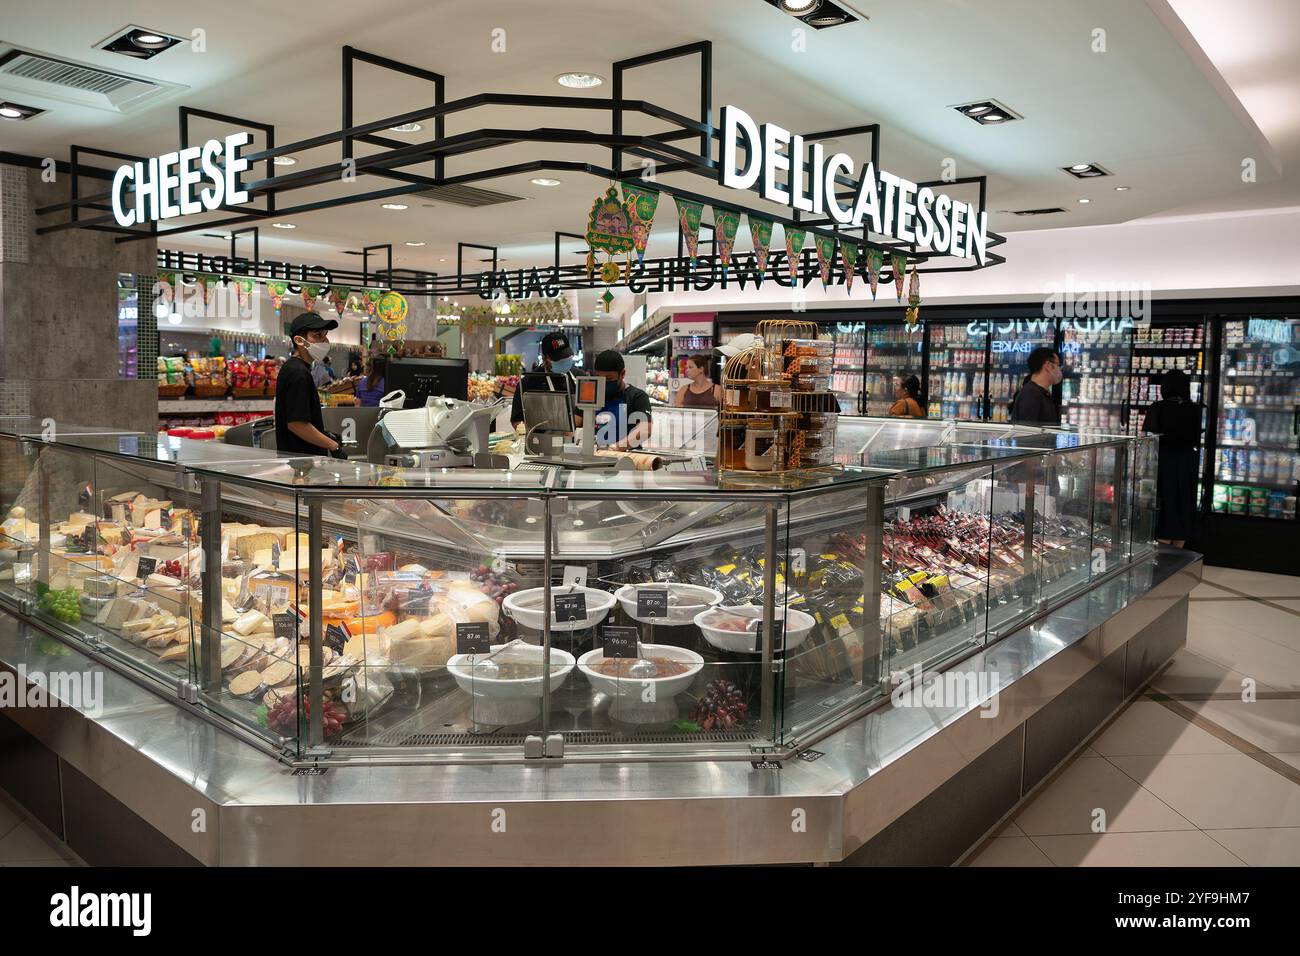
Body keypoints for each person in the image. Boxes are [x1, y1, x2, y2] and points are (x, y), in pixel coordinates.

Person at [1143, 369, 1201, 548]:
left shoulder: (1158, 408)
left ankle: (1163, 551)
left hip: (1164, 463)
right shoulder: (1195, 409)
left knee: (1165, 506)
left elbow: (1148, 438)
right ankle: (1179, 551)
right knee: (1183, 503)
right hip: (1187, 463)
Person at [276, 312, 343, 456]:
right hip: (301, 463)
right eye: (317, 336)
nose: (324, 341)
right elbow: (297, 424)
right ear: (300, 341)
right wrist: (333, 446)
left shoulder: (295, 368)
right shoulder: (298, 373)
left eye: (325, 335)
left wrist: (324, 435)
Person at [586, 350, 653, 450]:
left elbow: (644, 430)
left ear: (622, 374)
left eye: (609, 379)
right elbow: (575, 425)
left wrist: (616, 447)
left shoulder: (637, 396)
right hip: (595, 456)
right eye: (599, 378)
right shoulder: (590, 395)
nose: (604, 383)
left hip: (627, 459)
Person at [510, 330, 578, 427]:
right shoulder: (528, 382)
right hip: (541, 439)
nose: (564, 360)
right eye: (558, 358)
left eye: (566, 356)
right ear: (545, 358)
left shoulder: (579, 377)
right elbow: (516, 420)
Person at [1009, 347, 1062, 424]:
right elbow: (1027, 431)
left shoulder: (1041, 392)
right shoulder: (1031, 394)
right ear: (1048, 365)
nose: (1059, 370)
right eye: (1058, 365)